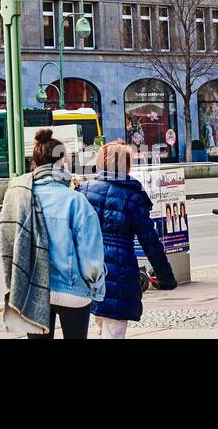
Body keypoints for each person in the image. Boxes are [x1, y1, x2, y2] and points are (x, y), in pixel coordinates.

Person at [2, 129, 105, 340]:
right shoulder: (75, 201)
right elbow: (90, 254)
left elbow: (9, 246)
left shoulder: (18, 196)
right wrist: (96, 289)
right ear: (61, 164)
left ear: (35, 162)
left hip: (32, 290)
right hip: (73, 292)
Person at [79, 141, 177, 339]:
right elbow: (151, 242)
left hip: (87, 273)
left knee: (98, 324)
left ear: (101, 163)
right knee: (113, 332)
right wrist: (165, 277)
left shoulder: (84, 191)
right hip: (120, 274)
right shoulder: (132, 196)